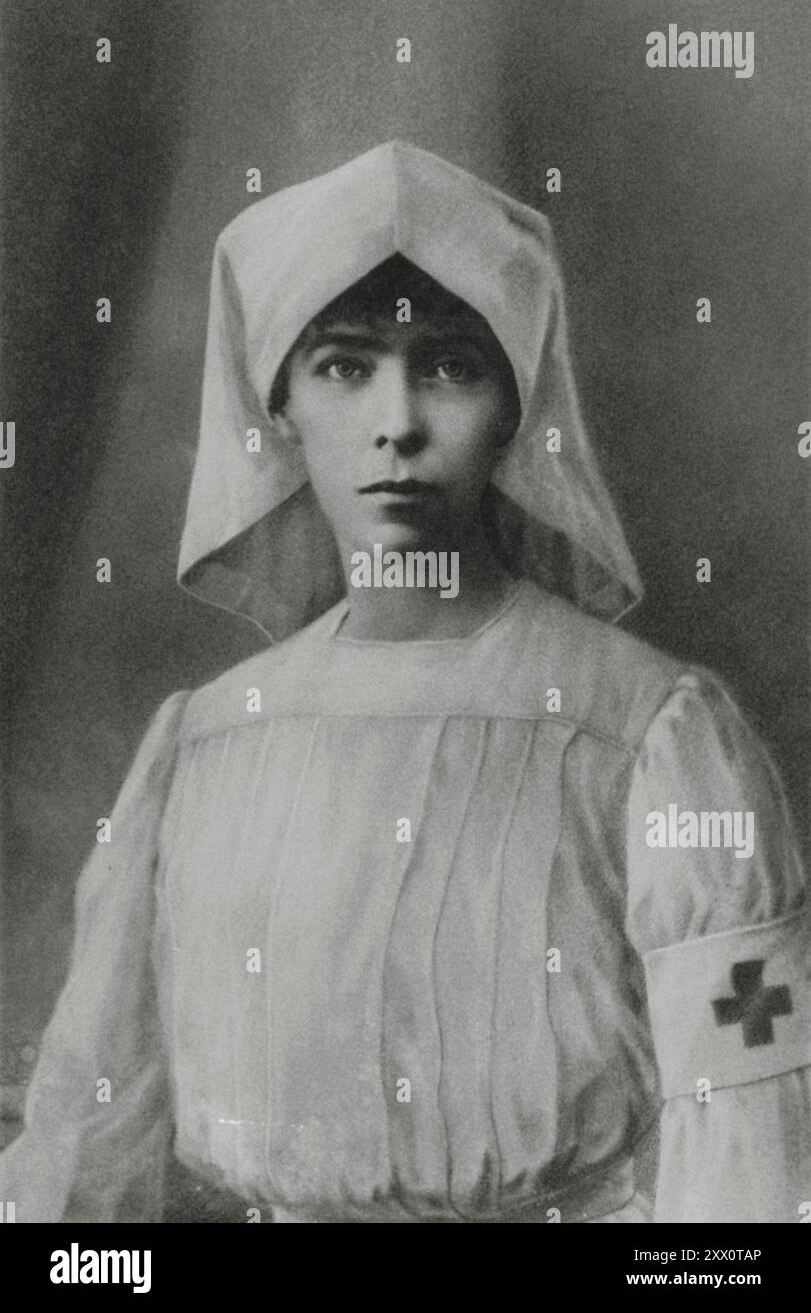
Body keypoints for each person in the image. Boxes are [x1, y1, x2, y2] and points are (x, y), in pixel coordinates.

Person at [2, 141, 809, 1223]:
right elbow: (84, 1156)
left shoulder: (655, 734)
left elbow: (745, 1165)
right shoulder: (203, 745)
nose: (397, 421)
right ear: (276, 400)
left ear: (515, 405)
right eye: (344, 365)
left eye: (447, 364)